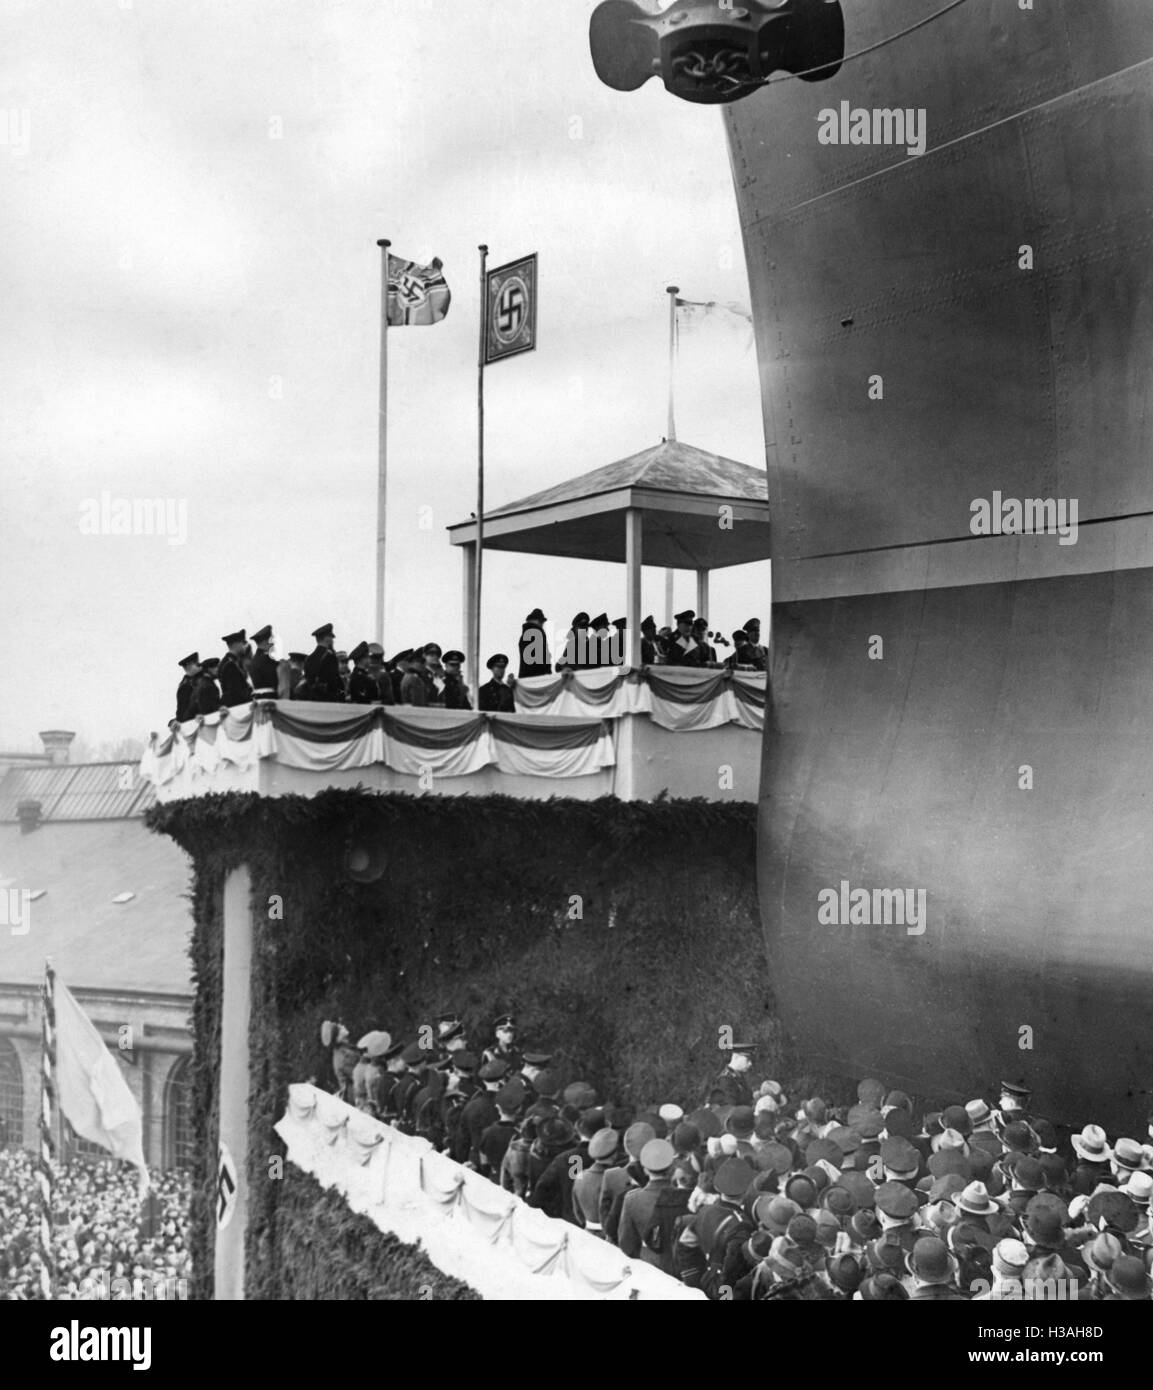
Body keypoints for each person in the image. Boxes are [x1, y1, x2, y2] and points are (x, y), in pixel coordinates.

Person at [617, 1138, 690, 1275]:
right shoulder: (686, 1197)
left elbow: (627, 1244)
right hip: (682, 1270)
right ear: (672, 1168)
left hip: (649, 1269)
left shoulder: (632, 1199)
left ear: (645, 1170)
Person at [303, 623, 344, 701]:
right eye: (331, 638)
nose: (332, 640)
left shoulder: (309, 658)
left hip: (312, 699)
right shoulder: (330, 657)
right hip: (328, 700)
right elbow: (334, 681)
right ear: (327, 639)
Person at [709, 1041, 755, 1109]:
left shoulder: (738, 1076)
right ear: (736, 1057)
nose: (750, 1064)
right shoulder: (725, 1080)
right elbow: (730, 1108)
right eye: (747, 1060)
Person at [218, 631, 253, 707]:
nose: (244, 646)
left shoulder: (231, 661)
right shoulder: (229, 664)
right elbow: (235, 691)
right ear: (235, 644)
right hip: (238, 706)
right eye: (242, 643)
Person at [518, 608, 551, 678]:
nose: (542, 625)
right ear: (538, 621)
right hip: (538, 678)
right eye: (541, 622)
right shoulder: (538, 633)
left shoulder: (523, 636)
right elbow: (541, 661)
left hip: (525, 678)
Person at [248, 625, 279, 698]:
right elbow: (275, 681)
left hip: (260, 698)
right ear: (265, 641)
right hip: (271, 699)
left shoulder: (254, 660)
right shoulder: (266, 660)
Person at [173, 653, 201, 724]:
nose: (200, 666)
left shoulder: (194, 680)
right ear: (188, 666)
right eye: (196, 664)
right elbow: (182, 711)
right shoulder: (186, 686)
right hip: (193, 723)